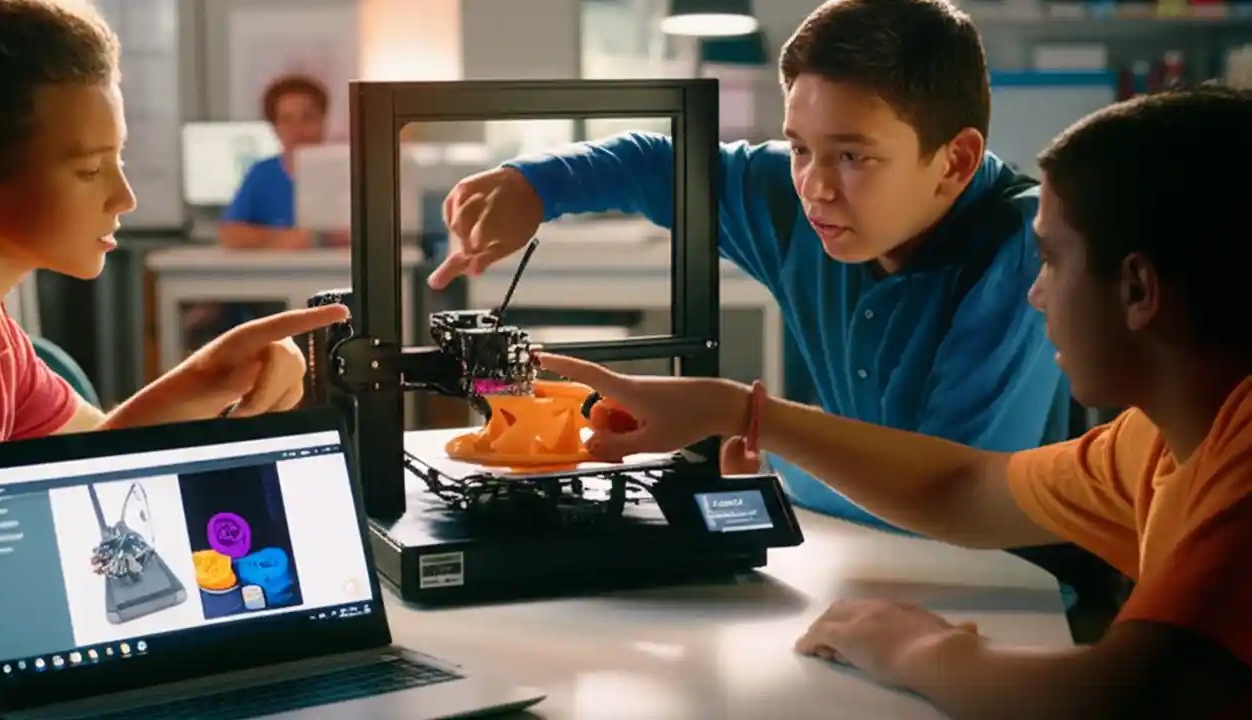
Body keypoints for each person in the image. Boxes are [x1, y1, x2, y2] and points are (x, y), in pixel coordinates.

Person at [537, 84, 1252, 718]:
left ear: (1137, 290)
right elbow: (965, 485)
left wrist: (922, 651)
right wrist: (735, 410)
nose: (1037, 292)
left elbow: (1124, 695)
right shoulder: (1156, 439)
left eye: (1054, 261)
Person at [432, 0, 1117, 605]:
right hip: (877, 564)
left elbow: (951, 491)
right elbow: (655, 162)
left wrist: (767, 450)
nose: (814, 186)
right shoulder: (797, 204)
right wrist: (532, 185)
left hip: (1014, 594)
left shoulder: (1019, 253)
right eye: (798, 148)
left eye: (852, 157)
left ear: (957, 162)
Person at [0, 0, 344, 445]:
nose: (125, 198)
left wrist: (205, 379)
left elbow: (92, 454)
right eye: (90, 170)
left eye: (119, 159)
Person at [218, 73, 336, 250]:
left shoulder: (349, 170)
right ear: (275, 128)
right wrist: (287, 239)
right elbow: (231, 234)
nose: (298, 129)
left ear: (323, 120)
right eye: (287, 120)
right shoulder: (262, 174)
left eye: (308, 118)